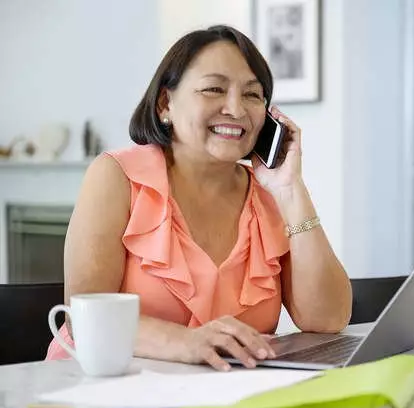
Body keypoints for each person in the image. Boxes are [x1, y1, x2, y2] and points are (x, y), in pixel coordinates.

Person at [46, 25, 352, 371]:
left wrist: (291, 190)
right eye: (213, 89)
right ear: (166, 103)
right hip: (100, 387)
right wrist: (186, 341)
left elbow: (328, 319)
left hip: (221, 394)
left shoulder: (269, 196)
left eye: (253, 95)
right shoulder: (116, 175)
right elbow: (84, 319)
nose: (236, 110)